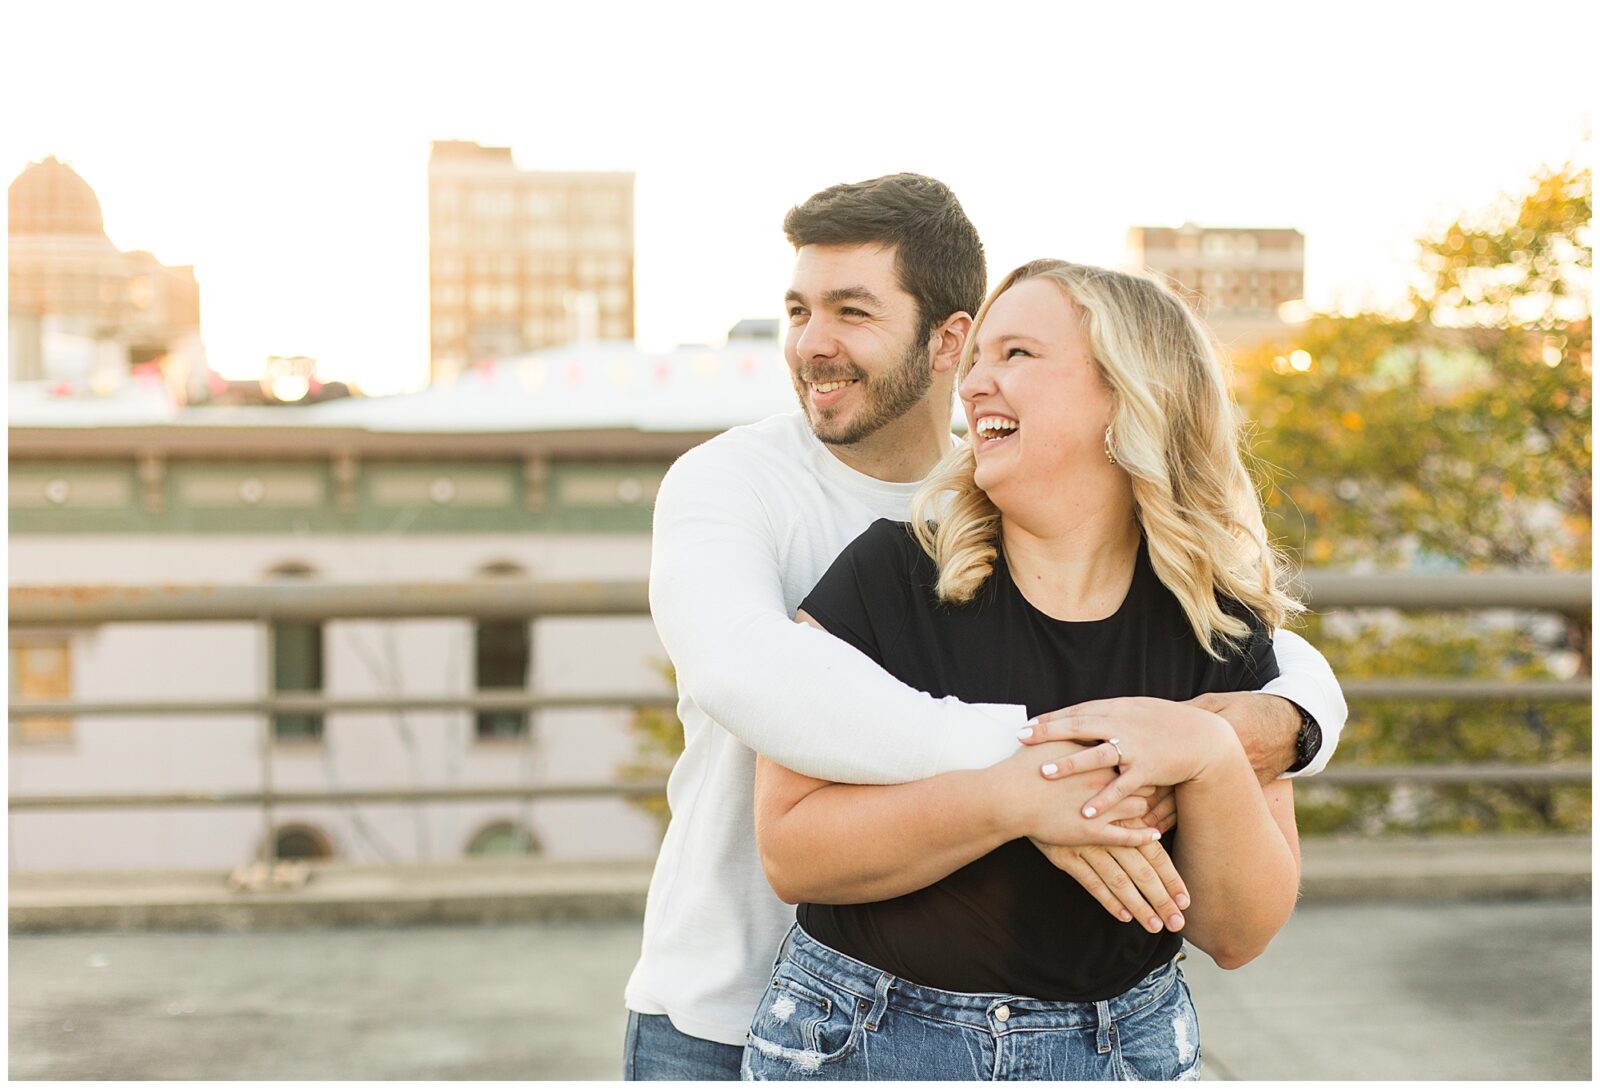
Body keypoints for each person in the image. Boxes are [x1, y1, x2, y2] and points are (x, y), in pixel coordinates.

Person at [623, 175, 1346, 1081]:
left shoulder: (1058, 516)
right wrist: (1058, 770)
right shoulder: (749, 493)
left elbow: (1269, 671)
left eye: (851, 309)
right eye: (799, 309)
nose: (811, 342)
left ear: (944, 338)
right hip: (738, 1003)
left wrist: (1258, 728)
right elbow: (749, 672)